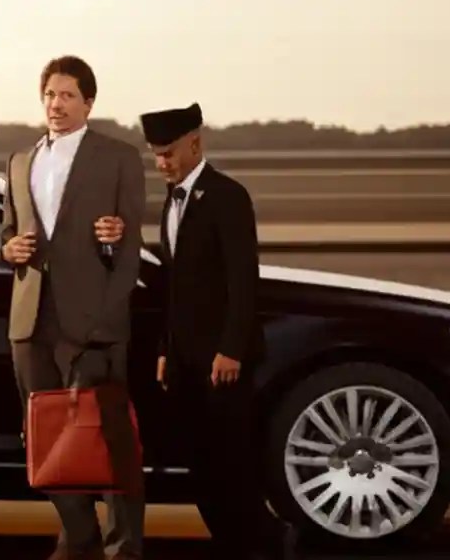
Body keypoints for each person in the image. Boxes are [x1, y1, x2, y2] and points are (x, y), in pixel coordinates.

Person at [97, 103, 299, 560]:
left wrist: (230, 350)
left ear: (195, 143)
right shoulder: (172, 202)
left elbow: (243, 282)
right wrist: (168, 348)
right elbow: (176, 289)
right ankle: (233, 545)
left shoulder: (227, 196)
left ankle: (270, 544)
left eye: (168, 153)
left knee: (230, 463)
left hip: (221, 361)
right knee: (203, 467)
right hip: (186, 360)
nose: (162, 163)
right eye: (155, 155)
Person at [0, 55, 147, 560]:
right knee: (48, 442)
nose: (55, 104)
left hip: (93, 325)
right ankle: (79, 537)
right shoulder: (20, 161)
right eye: (49, 95)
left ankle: (123, 547)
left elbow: (129, 252)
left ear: (88, 102)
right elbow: (6, 230)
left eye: (66, 96)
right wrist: (7, 248)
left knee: (110, 441)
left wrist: (104, 324)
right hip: (31, 320)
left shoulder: (118, 158)